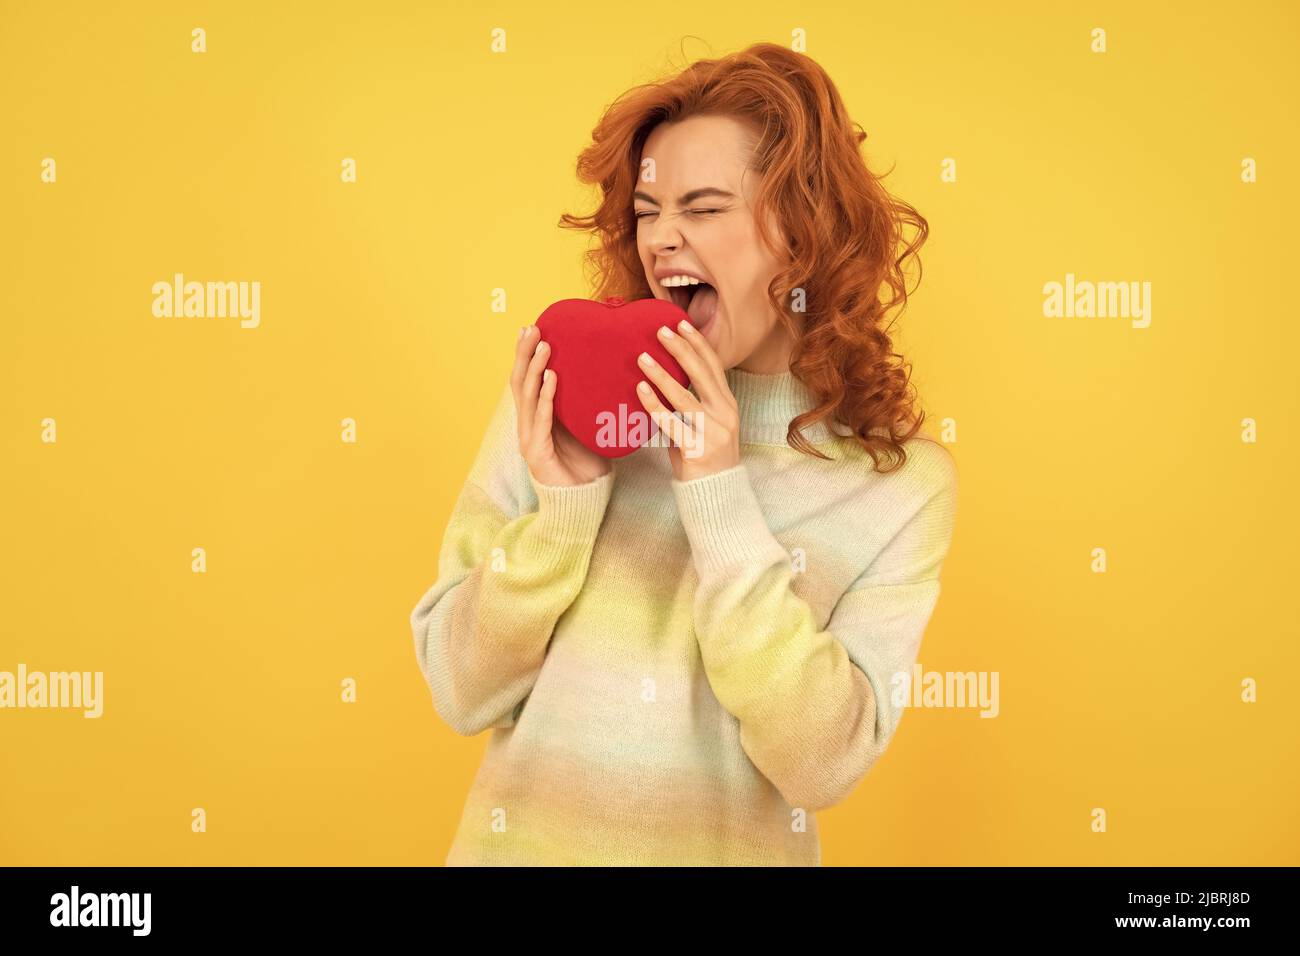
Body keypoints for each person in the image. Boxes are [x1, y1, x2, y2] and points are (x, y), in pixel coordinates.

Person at [410, 42, 958, 866]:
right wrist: (562, 520)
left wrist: (718, 496)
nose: (663, 238)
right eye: (648, 209)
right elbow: (459, 691)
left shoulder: (901, 486)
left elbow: (822, 763)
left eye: (703, 209)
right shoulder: (563, 400)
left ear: (805, 236)